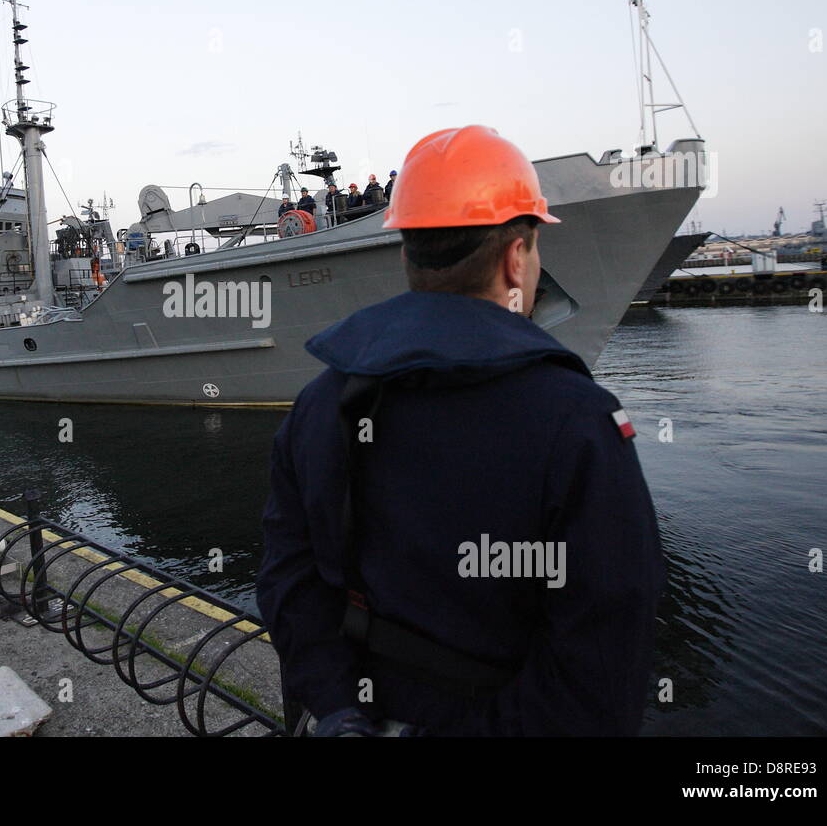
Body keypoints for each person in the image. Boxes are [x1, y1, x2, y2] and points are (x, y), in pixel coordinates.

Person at [257, 125, 664, 736]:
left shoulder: (318, 405)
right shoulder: (581, 425)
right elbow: (604, 668)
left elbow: (289, 583)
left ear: (405, 254)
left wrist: (340, 708)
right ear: (516, 257)